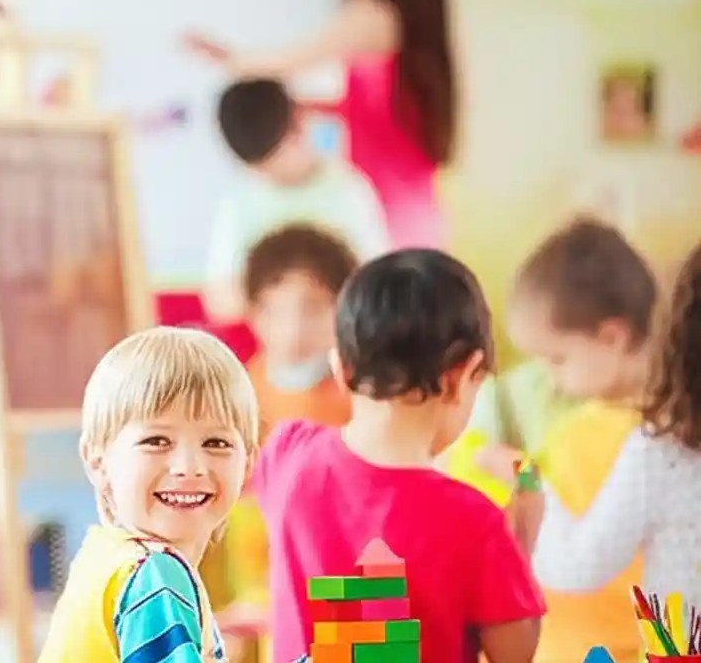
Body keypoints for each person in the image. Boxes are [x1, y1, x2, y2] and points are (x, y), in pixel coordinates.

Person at [249, 249, 545, 663]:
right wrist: (523, 536)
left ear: (341, 368)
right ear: (462, 376)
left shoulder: (286, 453)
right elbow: (514, 654)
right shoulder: (475, 521)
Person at [449, 216, 658, 661]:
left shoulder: (601, 438)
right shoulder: (638, 425)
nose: (550, 378)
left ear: (612, 337)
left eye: (557, 359)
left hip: (589, 644)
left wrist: (515, 470)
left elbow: (547, 536)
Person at [186, 0, 456, 251]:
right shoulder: (395, 22)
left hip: (390, 206)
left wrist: (231, 60)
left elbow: (287, 61)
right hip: (405, 203)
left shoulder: (372, 17)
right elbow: (368, 111)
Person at [38, 326, 259, 663]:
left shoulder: (106, 554)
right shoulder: (155, 575)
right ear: (98, 462)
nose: (188, 467)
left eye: (216, 443)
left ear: (248, 463)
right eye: (156, 441)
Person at [202, 225, 358, 662]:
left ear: (344, 311)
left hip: (339, 566)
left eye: (312, 309)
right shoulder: (237, 391)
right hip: (259, 566)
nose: (294, 329)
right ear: (252, 313)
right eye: (274, 311)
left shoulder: (358, 391)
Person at [527, 237, 701, 620]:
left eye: (556, 360)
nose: (550, 380)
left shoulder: (660, 453)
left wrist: (530, 485)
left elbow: (578, 566)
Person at [204, 77, 389, 322]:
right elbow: (220, 301)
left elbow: (377, 283)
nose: (267, 174)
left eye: (275, 160)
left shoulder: (347, 190)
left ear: (299, 125)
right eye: (260, 168)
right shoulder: (240, 200)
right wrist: (279, 297)